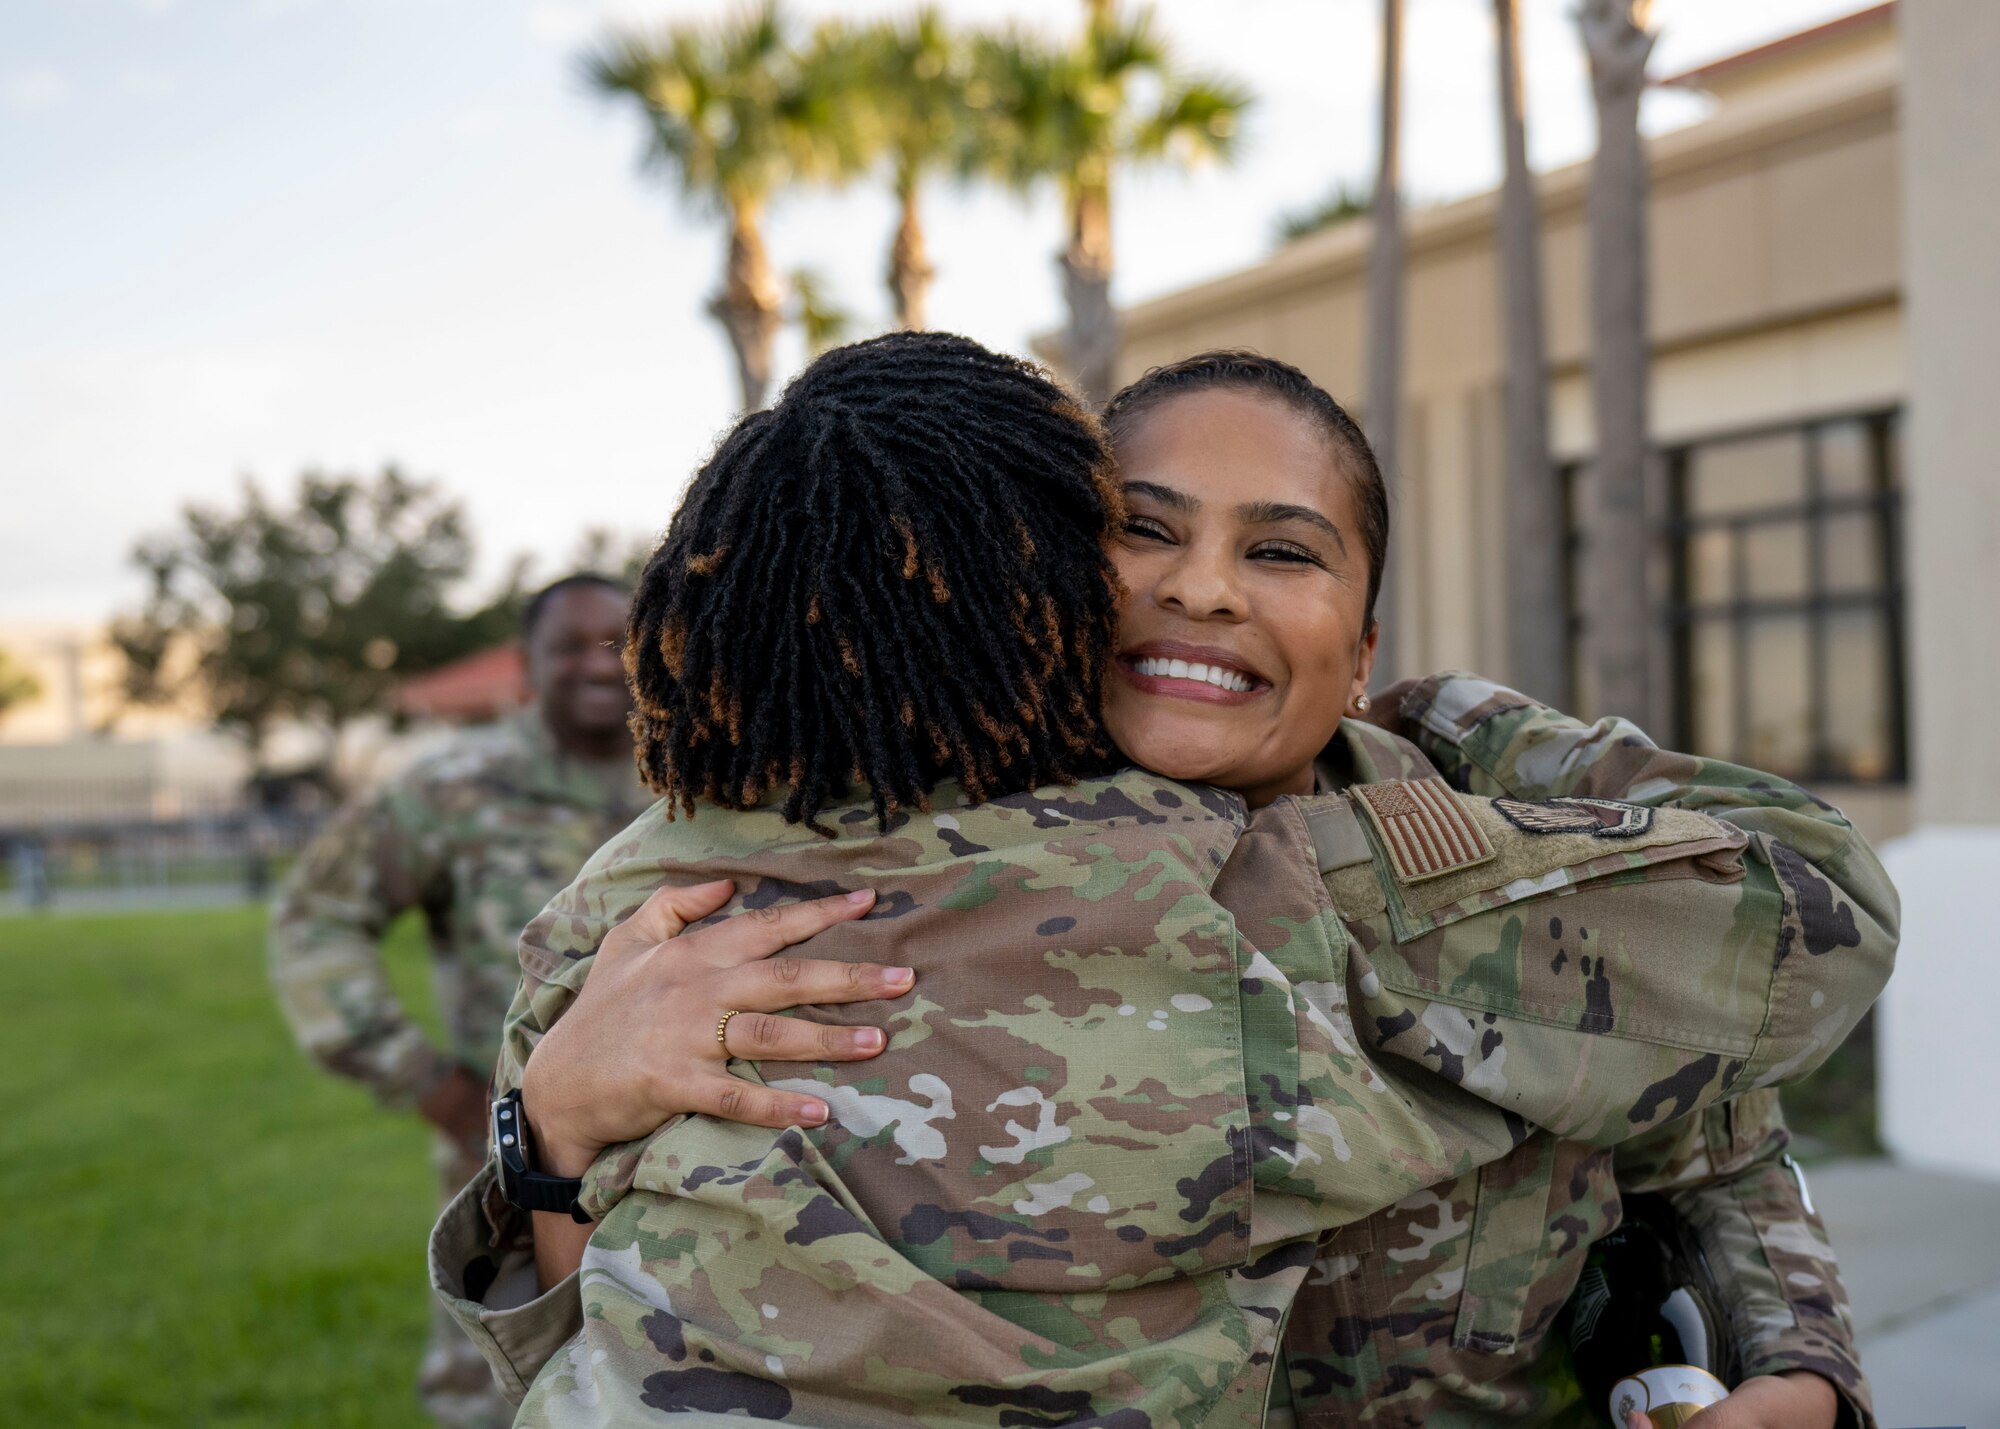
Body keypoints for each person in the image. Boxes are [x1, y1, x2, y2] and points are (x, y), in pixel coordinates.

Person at [428, 336, 1894, 1427]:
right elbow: (583, 1326)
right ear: (1039, 575)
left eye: (1283, 550)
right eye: (1146, 527)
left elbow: (1716, 1138)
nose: (1204, 585)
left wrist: (1805, 1367)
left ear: (1362, 643)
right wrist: (547, 1122)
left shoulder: (1486, 842)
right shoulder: (791, 895)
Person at [269, 574, 655, 1429]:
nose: (599, 666)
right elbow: (315, 921)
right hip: (514, 1165)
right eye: (569, 645)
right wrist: (421, 1078)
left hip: (683, 1153)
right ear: (525, 666)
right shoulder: (453, 786)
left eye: (616, 643)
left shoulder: (701, 775)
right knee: (501, 1386)